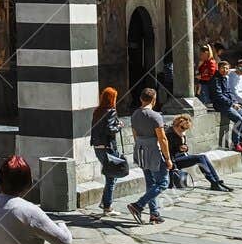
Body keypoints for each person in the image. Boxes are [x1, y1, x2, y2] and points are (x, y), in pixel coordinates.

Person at [127, 87, 174, 224]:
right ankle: (138, 205)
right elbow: (162, 139)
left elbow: (135, 134)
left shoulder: (135, 114)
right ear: (154, 100)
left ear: (141, 99)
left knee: (150, 183)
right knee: (163, 183)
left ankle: (154, 213)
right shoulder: (155, 116)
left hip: (141, 150)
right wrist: (168, 158)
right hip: (154, 150)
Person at [167, 113, 233, 192]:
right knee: (200, 158)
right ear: (176, 124)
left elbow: (182, 147)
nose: (184, 130)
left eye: (186, 129)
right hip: (173, 161)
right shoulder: (169, 134)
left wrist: (185, 148)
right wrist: (174, 166)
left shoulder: (180, 133)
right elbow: (168, 152)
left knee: (203, 157)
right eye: (182, 127)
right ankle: (213, 182)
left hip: (181, 156)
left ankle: (217, 181)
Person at [89, 86, 126, 217]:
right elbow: (109, 129)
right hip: (108, 148)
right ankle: (107, 207)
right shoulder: (111, 111)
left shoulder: (97, 111)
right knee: (112, 177)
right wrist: (119, 126)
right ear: (112, 99)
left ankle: (105, 203)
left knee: (110, 175)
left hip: (97, 147)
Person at [210, 60, 242, 151]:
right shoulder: (215, 79)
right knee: (239, 120)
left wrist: (235, 102)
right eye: (223, 68)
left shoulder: (226, 78)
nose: (225, 70)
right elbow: (219, 96)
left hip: (230, 104)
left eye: (227, 68)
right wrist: (232, 104)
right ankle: (235, 144)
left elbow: (229, 92)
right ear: (219, 68)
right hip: (221, 105)